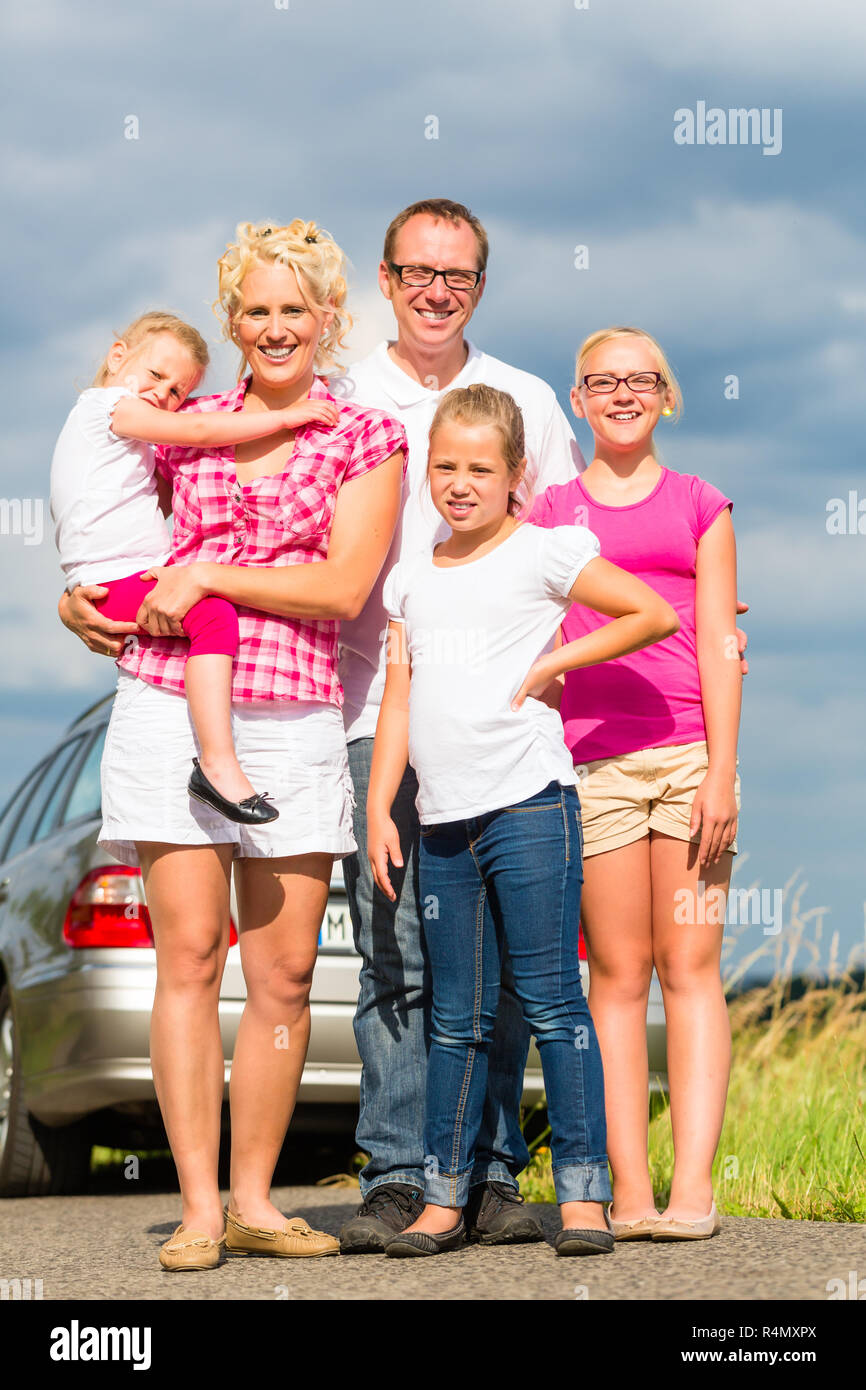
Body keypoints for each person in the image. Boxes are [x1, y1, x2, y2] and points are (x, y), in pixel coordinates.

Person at [57, 219, 406, 1270]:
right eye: (253, 309)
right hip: (168, 705)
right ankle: (201, 1208)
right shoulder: (183, 422)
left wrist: (208, 575)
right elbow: (111, 527)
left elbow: (343, 586)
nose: (271, 327)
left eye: (292, 308)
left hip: (294, 717)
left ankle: (259, 1198)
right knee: (189, 960)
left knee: (289, 972)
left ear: (328, 317)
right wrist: (75, 599)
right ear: (232, 320)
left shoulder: (364, 435)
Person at [367, 384, 678, 1257]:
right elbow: (398, 698)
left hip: (531, 805)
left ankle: (583, 1197)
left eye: (479, 468)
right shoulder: (411, 575)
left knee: (550, 1003)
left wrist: (556, 662)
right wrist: (379, 809)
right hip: (439, 823)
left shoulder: (545, 551)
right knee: (454, 1017)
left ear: (517, 477)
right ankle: (442, 1199)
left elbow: (649, 613)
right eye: (443, 467)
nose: (458, 483)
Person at [332, 199, 587, 1250]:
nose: (437, 291)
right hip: (368, 704)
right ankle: (399, 1171)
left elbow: (573, 549)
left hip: (500, 730)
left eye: (459, 276)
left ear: (479, 285)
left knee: (509, 972)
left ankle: (486, 1174)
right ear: (385, 280)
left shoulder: (523, 397)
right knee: (398, 959)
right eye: (417, 272)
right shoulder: (346, 389)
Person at [528, 327, 742, 1241]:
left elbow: (725, 649)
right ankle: (634, 1192)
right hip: (594, 766)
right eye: (601, 381)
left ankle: (692, 1192)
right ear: (577, 399)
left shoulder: (702, 505)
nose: (621, 394)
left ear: (665, 395)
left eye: (640, 380)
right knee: (615, 979)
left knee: (690, 970)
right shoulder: (548, 511)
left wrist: (723, 772)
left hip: (690, 758)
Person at [50, 310, 341, 824]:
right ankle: (217, 762)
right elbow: (201, 429)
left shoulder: (110, 431)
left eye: (177, 392)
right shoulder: (110, 408)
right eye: (156, 376)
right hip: (118, 576)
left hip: (107, 577)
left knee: (204, 617)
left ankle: (216, 756)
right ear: (118, 356)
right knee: (214, 618)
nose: (163, 396)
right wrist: (284, 418)